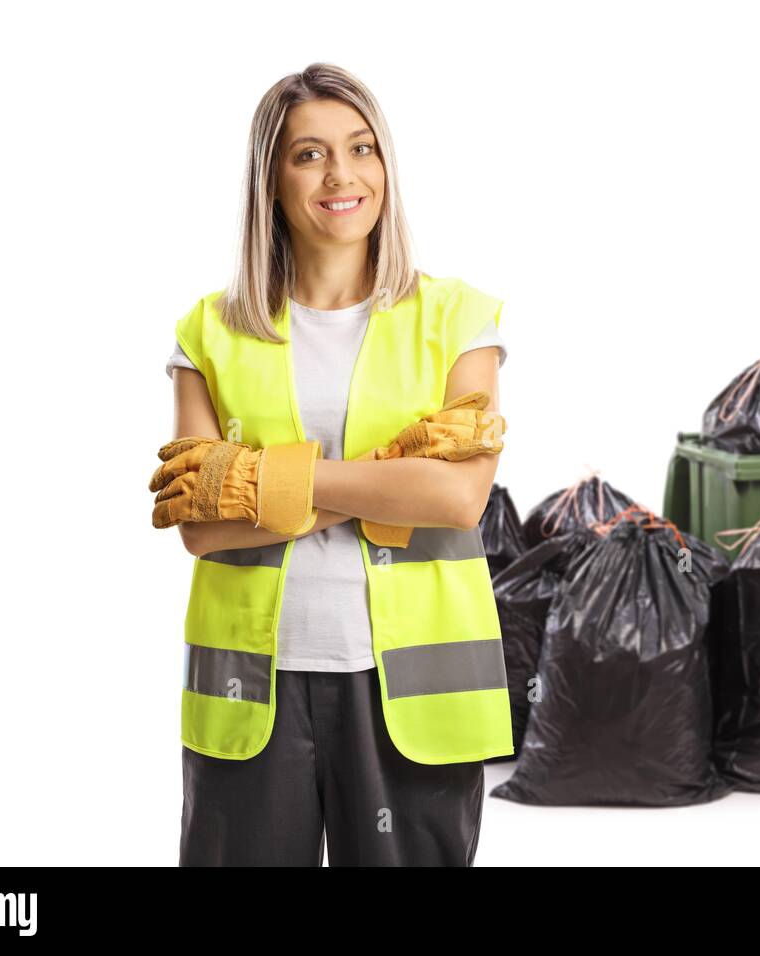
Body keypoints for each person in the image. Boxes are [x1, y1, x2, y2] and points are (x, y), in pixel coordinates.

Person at [150, 63, 513, 866]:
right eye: (309, 154)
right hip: (254, 687)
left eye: (361, 148)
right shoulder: (208, 332)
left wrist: (263, 480)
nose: (342, 175)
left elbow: (456, 498)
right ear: (271, 180)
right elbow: (201, 528)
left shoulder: (459, 319)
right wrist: (387, 478)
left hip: (411, 697)